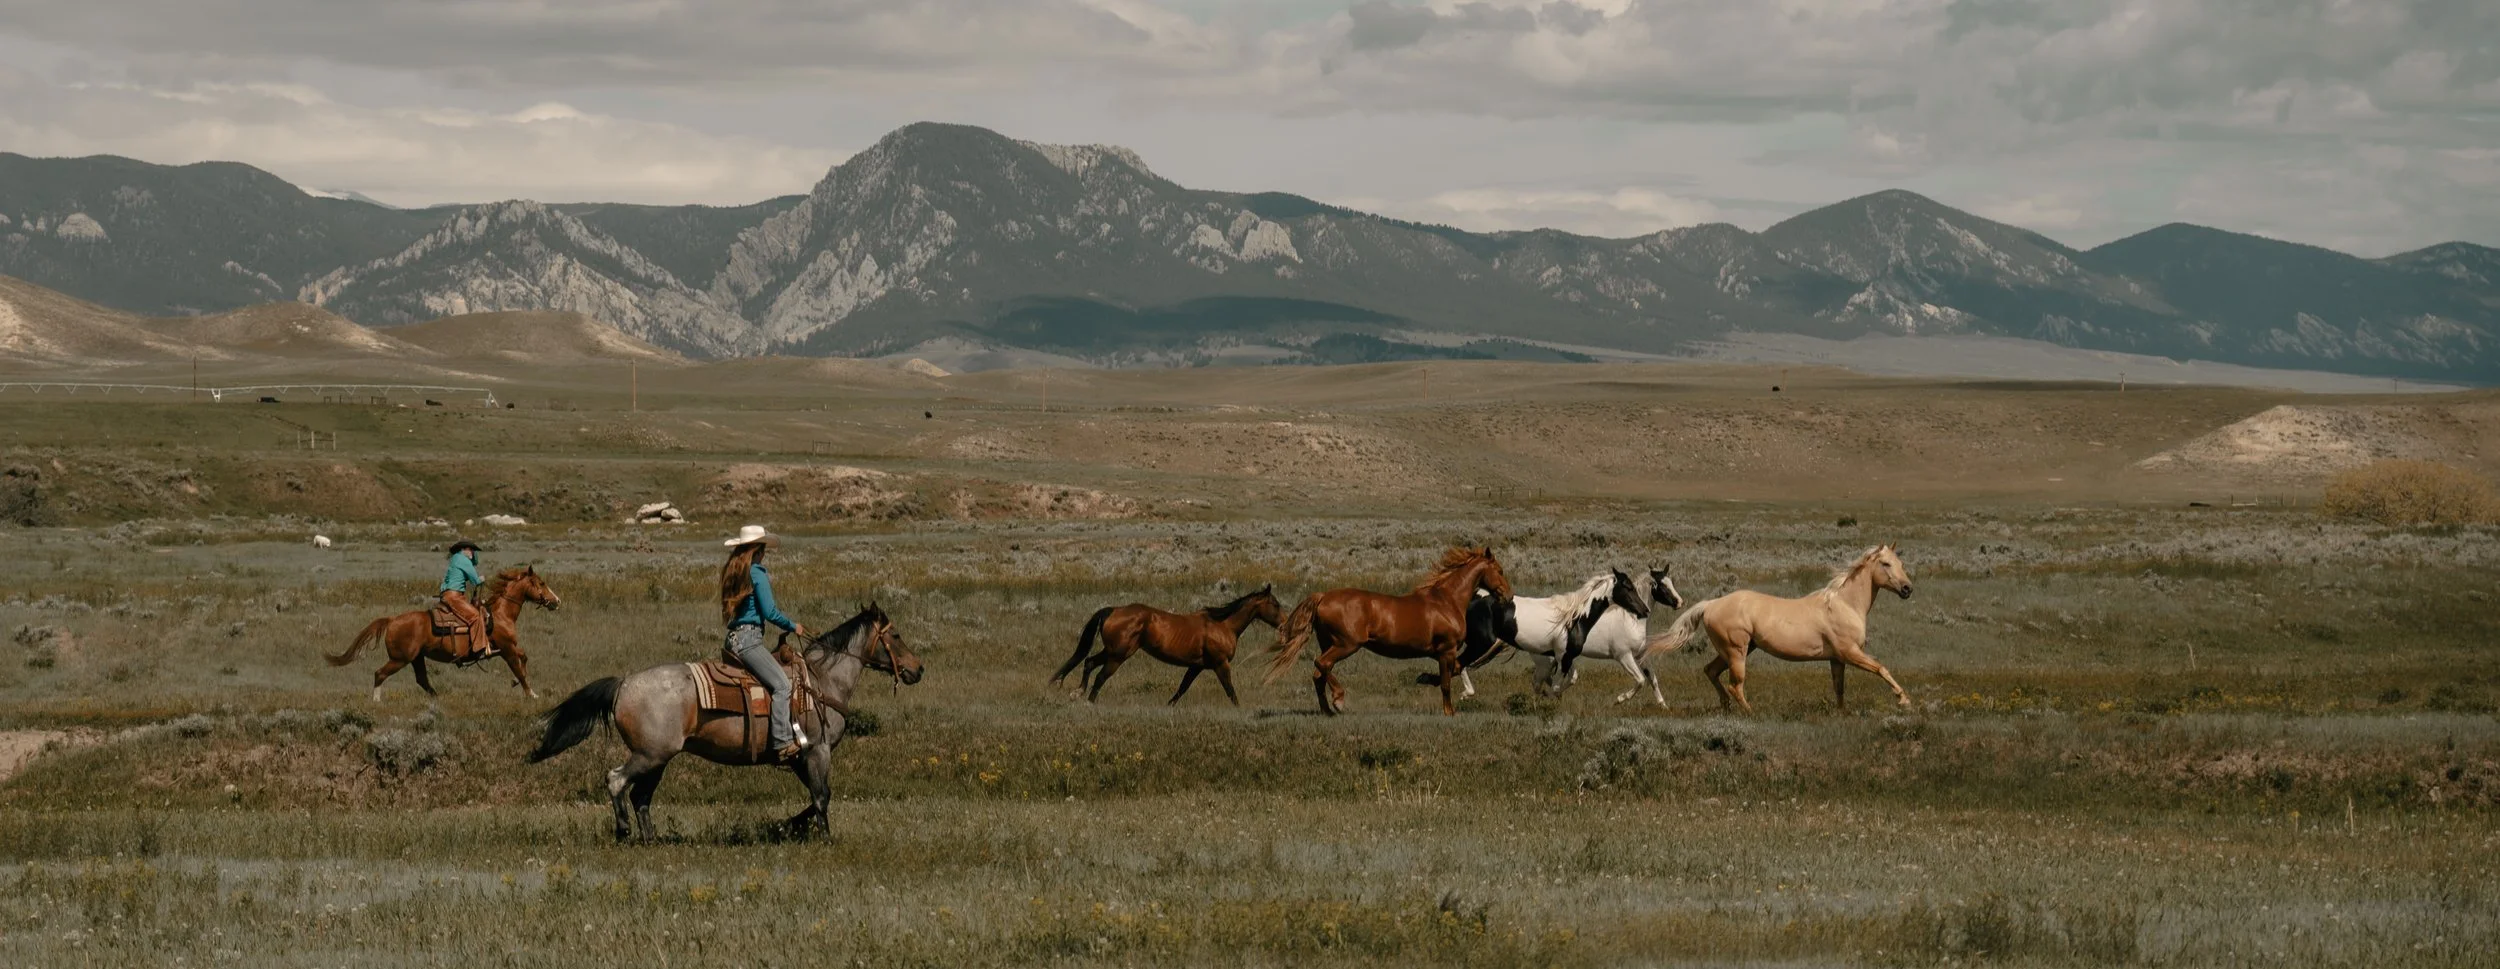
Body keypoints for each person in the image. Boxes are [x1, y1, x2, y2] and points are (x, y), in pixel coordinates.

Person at [720, 525, 810, 762]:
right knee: (782, 685)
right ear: (758, 550)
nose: (765, 554)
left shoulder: (734, 569)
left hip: (732, 640)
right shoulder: (757, 572)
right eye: (764, 549)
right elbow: (769, 611)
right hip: (749, 641)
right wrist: (793, 626)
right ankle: (781, 742)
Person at [439, 540, 493, 660]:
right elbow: (475, 580)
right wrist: (481, 579)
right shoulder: (463, 560)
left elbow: (475, 562)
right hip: (454, 597)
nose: (472, 553)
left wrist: (473, 554)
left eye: (473, 550)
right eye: (470, 550)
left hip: (447, 594)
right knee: (475, 616)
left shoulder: (455, 558)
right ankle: (479, 650)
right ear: (464, 550)